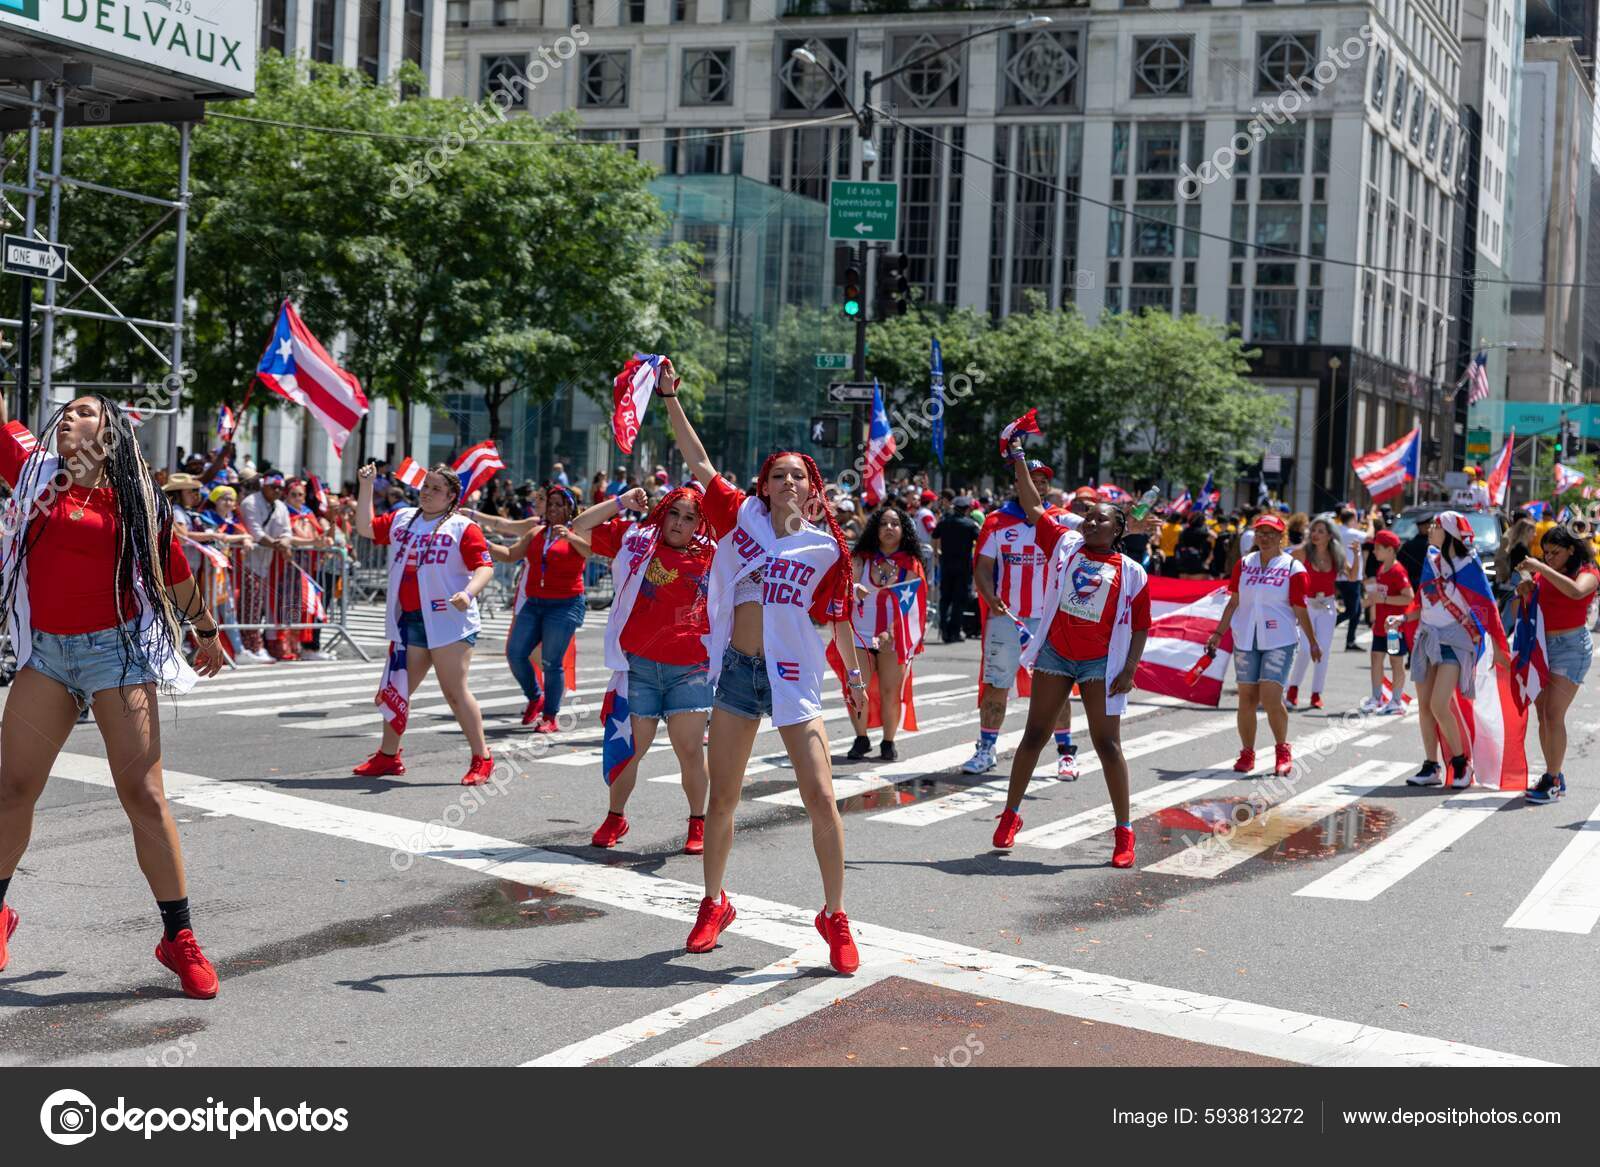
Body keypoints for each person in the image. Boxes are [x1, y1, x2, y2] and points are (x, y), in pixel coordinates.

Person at [0, 394, 227, 996]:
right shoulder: (31, 470)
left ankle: (178, 937)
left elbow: (170, 568)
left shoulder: (137, 497)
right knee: (13, 788)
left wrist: (203, 630)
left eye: (84, 411)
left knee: (144, 795)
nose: (68, 417)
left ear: (109, 431)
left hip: (118, 654)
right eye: (66, 411)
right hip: (46, 653)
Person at [662, 362, 866, 974]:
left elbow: (837, 620)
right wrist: (671, 395)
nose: (785, 482)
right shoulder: (740, 516)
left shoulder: (826, 547)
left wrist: (854, 678)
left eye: (796, 476)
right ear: (765, 483)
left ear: (811, 486)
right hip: (737, 673)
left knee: (822, 798)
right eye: (776, 474)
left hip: (793, 681)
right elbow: (697, 461)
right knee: (722, 798)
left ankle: (834, 916)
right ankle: (713, 902)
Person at [992, 436, 1151, 868]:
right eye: (1087, 517)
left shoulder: (1133, 573)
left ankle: (1124, 832)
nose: (1091, 524)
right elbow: (1032, 504)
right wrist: (1019, 457)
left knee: (1107, 744)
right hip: (1056, 656)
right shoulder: (1064, 545)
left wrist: (1130, 668)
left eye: (1101, 521)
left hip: (1103, 664)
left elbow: (1140, 626)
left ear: (1118, 531)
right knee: (1034, 736)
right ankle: (1010, 815)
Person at [572, 484, 714, 853]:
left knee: (689, 751)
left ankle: (698, 823)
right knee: (631, 749)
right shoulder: (636, 540)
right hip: (639, 667)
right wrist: (621, 502)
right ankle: (615, 817)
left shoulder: (714, 555)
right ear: (662, 511)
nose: (679, 523)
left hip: (690, 669)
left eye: (689, 517)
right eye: (674, 513)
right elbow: (581, 526)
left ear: (700, 523)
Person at [351, 463, 497, 785]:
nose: (427, 493)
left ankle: (482, 758)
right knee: (396, 690)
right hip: (411, 622)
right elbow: (364, 528)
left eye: (435, 489)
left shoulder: (462, 527)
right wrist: (367, 486)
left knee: (455, 693)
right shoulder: (404, 518)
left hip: (450, 621)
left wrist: (468, 593)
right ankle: (388, 757)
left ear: (451, 497)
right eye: (425, 486)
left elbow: (485, 567)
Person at [963, 460, 1081, 780]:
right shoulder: (997, 521)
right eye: (1031, 479)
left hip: (1049, 620)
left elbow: (1095, 532)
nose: (1038, 486)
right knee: (996, 684)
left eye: (1043, 481)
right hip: (1007, 617)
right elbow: (983, 567)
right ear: (1017, 483)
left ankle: (1065, 754)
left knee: (1058, 688)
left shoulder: (1060, 520)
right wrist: (989, 596)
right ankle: (986, 749)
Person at [1205, 513, 1321, 777]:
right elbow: (1234, 602)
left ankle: (1282, 749)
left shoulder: (1293, 568)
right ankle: (1247, 752)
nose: (1264, 537)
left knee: (1270, 697)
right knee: (1246, 698)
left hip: (1280, 640)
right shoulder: (1244, 564)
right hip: (1246, 638)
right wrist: (1218, 633)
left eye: (1271, 533)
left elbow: (1300, 608)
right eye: (1260, 532)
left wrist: (1313, 642)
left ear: (1282, 536)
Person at [1405, 511, 1512, 789]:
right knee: (1425, 707)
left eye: (1435, 525)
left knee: (1440, 704)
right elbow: (1422, 597)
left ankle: (1461, 762)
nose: (1430, 529)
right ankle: (1431, 766)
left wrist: (1501, 646)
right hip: (1427, 637)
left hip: (1456, 640)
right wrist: (1404, 618)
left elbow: (1486, 606)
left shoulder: (1468, 564)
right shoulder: (1430, 558)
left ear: (1449, 531)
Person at [474, 485, 590, 734]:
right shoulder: (537, 532)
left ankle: (550, 716)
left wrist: (570, 538)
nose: (554, 509)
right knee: (516, 653)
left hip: (566, 604)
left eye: (560, 504)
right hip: (535, 603)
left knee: (551, 662)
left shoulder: (578, 531)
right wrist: (485, 544)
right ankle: (535, 696)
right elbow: (509, 554)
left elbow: (592, 552)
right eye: (550, 504)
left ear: (570, 508)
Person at [1516, 526, 1598, 803]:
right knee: (1542, 715)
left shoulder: (1587, 572)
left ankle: (1551, 779)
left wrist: (1540, 567)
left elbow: (1575, 593)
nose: (1550, 558)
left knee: (1553, 714)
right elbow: (1541, 605)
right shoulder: (1545, 572)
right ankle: (1555, 773)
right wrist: (1527, 591)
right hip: (1543, 647)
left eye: (1555, 553)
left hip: (1571, 648)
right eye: (1546, 553)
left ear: (1571, 550)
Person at [843, 502, 928, 762]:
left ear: (904, 530)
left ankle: (888, 742)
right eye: (883, 523)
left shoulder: (911, 564)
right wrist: (854, 588)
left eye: (895, 524)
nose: (889, 528)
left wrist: (891, 632)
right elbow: (846, 587)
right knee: (857, 688)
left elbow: (915, 607)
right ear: (875, 529)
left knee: (892, 692)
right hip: (860, 634)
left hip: (893, 639)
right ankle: (861, 738)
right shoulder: (861, 559)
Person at [239, 472, 295, 662]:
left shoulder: (281, 507)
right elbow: (255, 532)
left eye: (280, 488)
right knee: (250, 606)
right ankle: (251, 645)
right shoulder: (250, 503)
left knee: (261, 606)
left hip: (267, 563)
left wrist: (284, 543)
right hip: (247, 562)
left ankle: (258, 643)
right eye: (274, 487)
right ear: (264, 485)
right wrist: (278, 545)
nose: (277, 491)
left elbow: (287, 531)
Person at [1287, 516, 1341, 710]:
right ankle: (1292, 690)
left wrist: (1358, 555)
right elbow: (1284, 568)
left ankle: (1316, 694)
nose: (1315, 534)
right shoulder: (1302, 552)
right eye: (1314, 530)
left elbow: (1352, 576)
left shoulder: (1336, 555)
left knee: (1323, 650)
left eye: (1320, 531)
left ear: (1329, 536)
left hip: (1327, 606)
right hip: (1306, 605)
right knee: (1304, 648)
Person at [1360, 528, 1413, 715]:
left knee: (1395, 661)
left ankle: (1397, 700)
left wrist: (1382, 600)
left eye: (1378, 548)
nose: (1374, 552)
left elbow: (1408, 597)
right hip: (1381, 626)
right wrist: (1374, 615)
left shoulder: (1398, 571)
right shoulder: (1382, 569)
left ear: (1390, 549)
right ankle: (1377, 697)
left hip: (1394, 627)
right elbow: (1379, 596)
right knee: (1376, 659)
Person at [932, 496, 980, 642]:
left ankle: (944, 629)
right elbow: (980, 540)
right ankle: (955, 631)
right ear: (967, 509)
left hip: (946, 565)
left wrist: (936, 553)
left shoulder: (944, 522)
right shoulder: (970, 524)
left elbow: (934, 536)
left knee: (945, 599)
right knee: (959, 600)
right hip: (963, 567)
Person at [1332, 505, 1368, 650]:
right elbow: (1370, 536)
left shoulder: (1336, 530)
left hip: (1343, 574)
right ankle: (1329, 625)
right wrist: (1370, 523)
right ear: (1352, 519)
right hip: (1350, 576)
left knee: (1357, 611)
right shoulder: (1352, 532)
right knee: (1351, 611)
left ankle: (1350, 641)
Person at [1175, 512, 1214, 579]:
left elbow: (1179, 545)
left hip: (1184, 562)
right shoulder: (1204, 533)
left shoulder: (1184, 531)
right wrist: (1207, 528)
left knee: (1183, 587)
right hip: (1198, 563)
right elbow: (1214, 537)